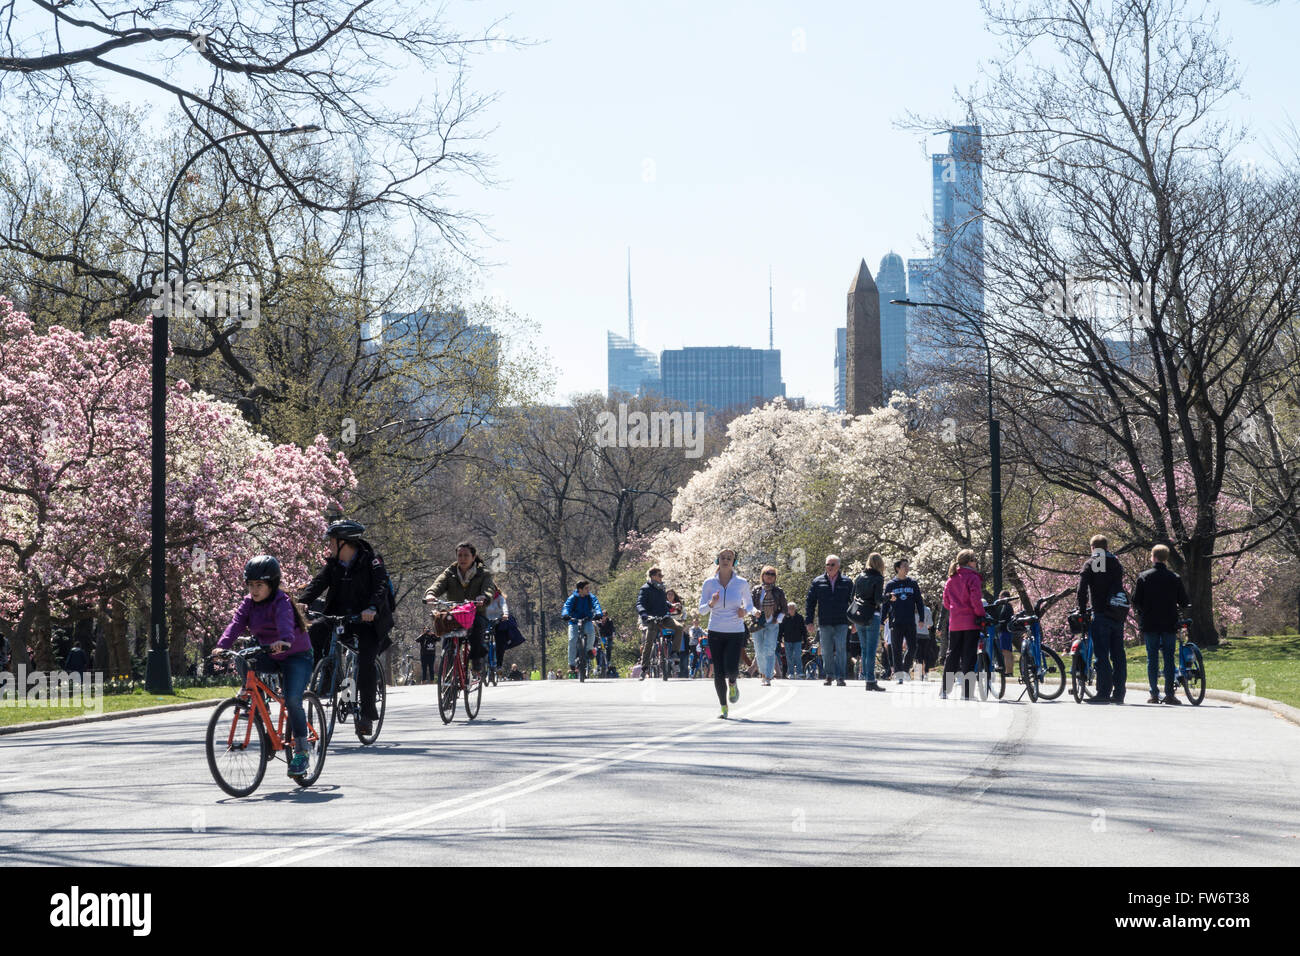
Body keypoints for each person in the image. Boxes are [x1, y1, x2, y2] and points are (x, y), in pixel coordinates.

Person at [216, 556, 315, 776]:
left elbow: (285, 622)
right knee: (242, 657)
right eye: (251, 585)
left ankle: (301, 752)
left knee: (291, 700)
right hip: (270, 653)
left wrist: (285, 640)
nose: (254, 590)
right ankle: (258, 707)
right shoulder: (248, 603)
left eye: (259, 585)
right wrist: (221, 646)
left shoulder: (281, 601)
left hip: (296, 655)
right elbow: (236, 624)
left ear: (272, 584)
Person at [299, 519, 394, 737]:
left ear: (344, 543)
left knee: (365, 661)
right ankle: (321, 675)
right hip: (340, 616)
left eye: (332, 541)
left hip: (368, 620)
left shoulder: (372, 561)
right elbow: (318, 583)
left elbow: (380, 587)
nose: (329, 546)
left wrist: (372, 608)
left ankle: (367, 715)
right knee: (315, 630)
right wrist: (303, 601)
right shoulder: (333, 564)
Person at [424, 541, 495, 677]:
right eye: (459, 555)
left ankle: (476, 662)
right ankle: (449, 670)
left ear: (473, 557)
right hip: (455, 613)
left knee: (477, 633)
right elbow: (438, 583)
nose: (462, 558)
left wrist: (484, 597)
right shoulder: (450, 572)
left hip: (476, 613)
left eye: (466, 555)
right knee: (447, 635)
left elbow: (489, 589)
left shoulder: (484, 573)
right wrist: (431, 594)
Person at [1132, 544, 1190, 705]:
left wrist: (1144, 610)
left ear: (1153, 557)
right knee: (1169, 657)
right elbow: (1184, 601)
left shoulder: (1144, 577)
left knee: (1152, 658)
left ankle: (1154, 694)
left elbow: (1136, 601)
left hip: (1150, 622)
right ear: (1166, 558)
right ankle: (1170, 694)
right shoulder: (1174, 578)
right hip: (1169, 622)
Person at [698, 547, 753, 718]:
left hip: (735, 631)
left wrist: (745, 611)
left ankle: (733, 683)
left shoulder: (741, 583)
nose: (726, 560)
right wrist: (711, 603)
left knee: (731, 669)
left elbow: (750, 605)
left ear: (734, 562)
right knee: (719, 671)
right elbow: (701, 611)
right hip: (715, 631)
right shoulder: (709, 583)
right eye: (723, 557)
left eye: (729, 558)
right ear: (717, 560)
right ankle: (723, 707)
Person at [1076, 534, 1128, 704]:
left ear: (1093, 548)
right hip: (1117, 614)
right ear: (1107, 547)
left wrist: (1082, 610)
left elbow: (1082, 589)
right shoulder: (1115, 563)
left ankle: (1103, 692)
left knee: (1102, 655)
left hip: (1100, 613)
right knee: (1118, 655)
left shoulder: (1092, 563)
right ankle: (1119, 693)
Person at [942, 550, 985, 700]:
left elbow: (946, 602)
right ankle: (967, 693)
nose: (976, 563)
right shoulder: (973, 578)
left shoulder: (951, 579)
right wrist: (981, 614)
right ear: (969, 562)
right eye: (974, 560)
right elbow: (975, 600)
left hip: (955, 623)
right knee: (968, 657)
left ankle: (945, 689)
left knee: (952, 655)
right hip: (970, 622)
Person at [805, 554, 853, 686]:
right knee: (826, 650)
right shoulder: (817, 581)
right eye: (827, 564)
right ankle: (829, 675)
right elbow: (810, 602)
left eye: (832, 564)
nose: (829, 567)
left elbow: (854, 602)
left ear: (838, 566)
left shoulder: (847, 582)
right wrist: (809, 621)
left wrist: (854, 622)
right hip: (825, 622)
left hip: (842, 622)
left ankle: (840, 677)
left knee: (841, 649)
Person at [636, 567, 684, 680]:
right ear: (653, 576)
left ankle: (674, 654)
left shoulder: (661, 588)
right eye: (659, 575)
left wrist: (671, 606)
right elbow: (639, 603)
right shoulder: (645, 589)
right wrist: (644, 614)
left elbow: (663, 603)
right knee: (649, 642)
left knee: (679, 627)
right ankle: (644, 669)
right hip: (652, 619)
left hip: (664, 617)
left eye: (661, 575)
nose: (661, 577)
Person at [882, 558, 925, 684]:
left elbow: (919, 602)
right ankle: (899, 675)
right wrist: (882, 619)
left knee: (912, 647)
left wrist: (921, 618)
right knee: (896, 649)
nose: (907, 568)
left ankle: (905, 670)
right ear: (897, 568)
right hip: (895, 621)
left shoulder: (912, 583)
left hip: (910, 621)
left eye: (907, 566)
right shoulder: (891, 584)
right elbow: (885, 603)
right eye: (904, 566)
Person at [852, 553, 887, 692]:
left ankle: (866, 677)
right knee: (871, 650)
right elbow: (878, 599)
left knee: (864, 649)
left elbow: (852, 596)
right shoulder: (878, 578)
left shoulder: (859, 577)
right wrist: (888, 597)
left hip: (860, 615)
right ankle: (870, 680)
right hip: (873, 614)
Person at [749, 566, 787, 687]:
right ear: (762, 575)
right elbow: (749, 605)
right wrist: (755, 612)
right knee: (759, 651)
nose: (770, 576)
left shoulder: (779, 591)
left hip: (772, 623)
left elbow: (784, 608)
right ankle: (763, 673)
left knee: (769, 649)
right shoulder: (756, 590)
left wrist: (779, 619)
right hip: (758, 623)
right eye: (767, 573)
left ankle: (767, 676)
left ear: (775, 577)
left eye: (772, 574)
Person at [561, 581, 603, 676]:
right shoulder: (573, 598)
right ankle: (572, 663)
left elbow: (596, 604)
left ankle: (589, 650)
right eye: (586, 588)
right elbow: (566, 607)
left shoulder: (590, 597)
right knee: (572, 640)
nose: (588, 590)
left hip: (587, 620)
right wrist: (565, 615)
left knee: (591, 632)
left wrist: (598, 613)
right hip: (574, 621)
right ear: (580, 590)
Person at [665, 589, 692, 677]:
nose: (670, 596)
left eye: (671, 594)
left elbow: (684, 613)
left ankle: (677, 658)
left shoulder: (678, 605)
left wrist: (683, 620)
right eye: (668, 594)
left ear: (674, 595)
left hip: (676, 624)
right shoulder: (663, 604)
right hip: (665, 624)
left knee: (681, 638)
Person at [992, 590, 1015, 679]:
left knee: (1006, 652)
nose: (999, 598)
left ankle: (1008, 671)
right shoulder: (1008, 606)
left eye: (1000, 596)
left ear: (1004, 597)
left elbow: (1005, 619)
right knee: (1008, 652)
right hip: (1007, 631)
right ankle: (1010, 671)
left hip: (1005, 631)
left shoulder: (1006, 607)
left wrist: (999, 623)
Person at [779, 601, 806, 679]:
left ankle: (799, 673)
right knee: (789, 657)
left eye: (792, 608)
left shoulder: (800, 617)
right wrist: (780, 639)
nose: (790, 610)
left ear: (795, 609)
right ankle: (790, 673)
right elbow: (781, 629)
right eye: (789, 608)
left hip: (797, 640)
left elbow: (803, 629)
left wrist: (805, 639)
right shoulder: (785, 618)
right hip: (787, 640)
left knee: (797, 656)